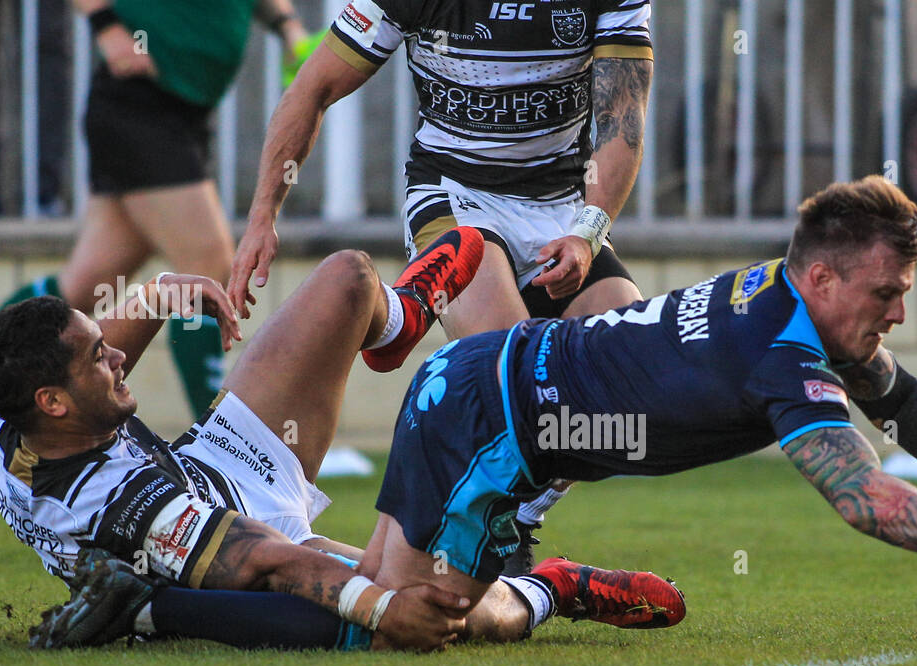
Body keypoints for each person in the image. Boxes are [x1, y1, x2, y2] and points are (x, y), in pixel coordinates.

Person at [357, 177, 917, 633]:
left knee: (379, 584)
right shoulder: (780, 352)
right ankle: (550, 589)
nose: (897, 314)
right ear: (824, 277)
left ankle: (539, 586)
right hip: (486, 419)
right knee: (408, 621)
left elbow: (899, 397)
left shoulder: (785, 292)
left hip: (476, 384)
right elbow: (864, 498)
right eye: (886, 293)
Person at [0, 226, 684, 652]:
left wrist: (165, 291)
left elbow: (91, 350)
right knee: (436, 604)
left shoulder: (8, 419)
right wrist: (382, 607)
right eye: (98, 357)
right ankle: (553, 587)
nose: (117, 356)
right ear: (55, 403)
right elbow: (268, 561)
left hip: (210, 463)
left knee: (348, 277)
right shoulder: (125, 508)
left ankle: (399, 319)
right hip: (232, 539)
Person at [228, 0, 656, 570]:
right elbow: (313, 88)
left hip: (561, 207)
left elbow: (623, 118)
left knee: (626, 382)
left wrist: (587, 232)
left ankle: (513, 517)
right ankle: (480, 527)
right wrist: (263, 215)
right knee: (515, 372)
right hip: (456, 196)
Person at [0, 0, 311, 482]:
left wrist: (287, 26)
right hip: (141, 105)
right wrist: (108, 28)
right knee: (207, 267)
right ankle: (226, 450)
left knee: (82, 284)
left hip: (181, 113)